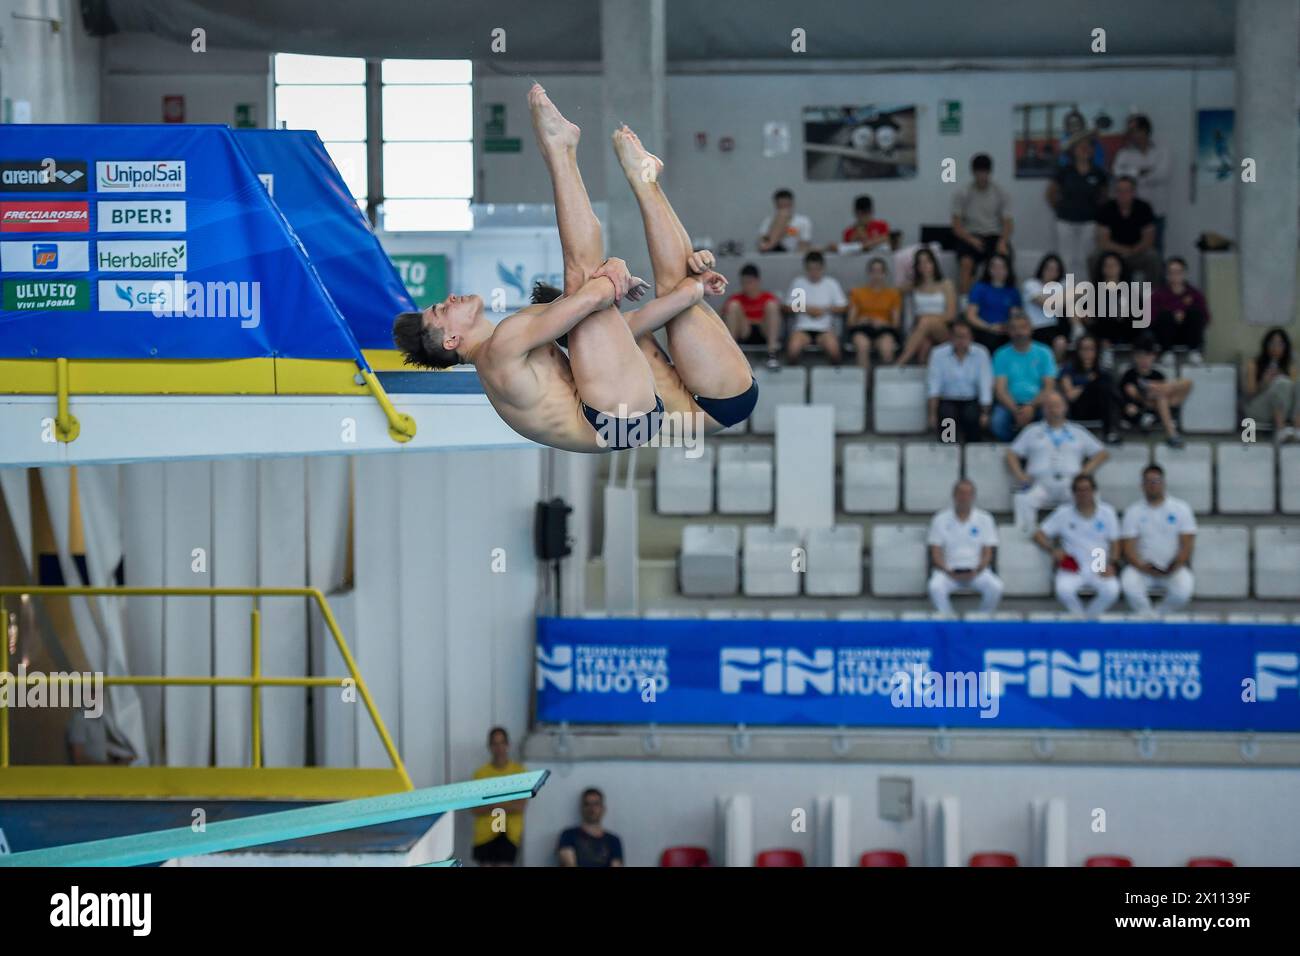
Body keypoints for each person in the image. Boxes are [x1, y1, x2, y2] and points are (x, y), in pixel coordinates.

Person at [393, 86, 665, 453]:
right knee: (583, 275)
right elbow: (594, 293)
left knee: (584, 281)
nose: (451, 298)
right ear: (451, 340)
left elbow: (596, 299)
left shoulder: (510, 335)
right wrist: (612, 273)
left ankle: (562, 149)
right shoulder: (499, 350)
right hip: (616, 421)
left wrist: (612, 275)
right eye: (443, 310)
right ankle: (561, 150)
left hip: (625, 414)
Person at [513, 118, 760, 439]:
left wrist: (698, 275)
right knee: (676, 288)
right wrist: (699, 281)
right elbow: (681, 297)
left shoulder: (599, 345)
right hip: (715, 403)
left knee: (679, 286)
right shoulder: (610, 338)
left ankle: (645, 179)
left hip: (707, 392)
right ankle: (644, 180)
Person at [1006, 389, 1109, 533]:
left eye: (1057, 405)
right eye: (1049, 405)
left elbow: (1102, 453)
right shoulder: (1032, 430)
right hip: (1040, 484)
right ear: (1043, 409)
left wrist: (1085, 472)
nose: (1053, 409)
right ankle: (1026, 540)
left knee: (1090, 497)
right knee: (1023, 499)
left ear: (1065, 407)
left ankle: (1085, 536)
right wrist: (1021, 476)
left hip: (1071, 484)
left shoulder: (1077, 431)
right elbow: (1011, 454)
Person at [1033, 473, 1122, 620]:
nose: (1083, 493)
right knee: (1063, 589)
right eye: (1079, 490)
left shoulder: (1107, 512)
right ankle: (1080, 618)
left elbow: (1115, 543)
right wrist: (1053, 550)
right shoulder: (1063, 512)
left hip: (1098, 562)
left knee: (1112, 590)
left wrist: (1112, 564)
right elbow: (1039, 534)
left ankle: (1089, 620)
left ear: (1094, 491)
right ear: (1073, 493)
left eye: (1086, 489)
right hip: (1073, 563)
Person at [1120, 464, 1197, 617]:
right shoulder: (1133, 511)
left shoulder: (1181, 508)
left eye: (1156, 480)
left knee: (1184, 590)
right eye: (1148, 481)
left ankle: (1160, 615)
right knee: (1128, 584)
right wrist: (1142, 566)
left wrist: (1175, 566)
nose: (1152, 485)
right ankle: (1146, 615)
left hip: (1172, 567)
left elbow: (1187, 545)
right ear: (1142, 485)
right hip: (1142, 568)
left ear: (1164, 482)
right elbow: (1128, 547)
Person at [927, 478, 1004, 616]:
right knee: (935, 586)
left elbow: (987, 552)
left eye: (968, 494)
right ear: (953, 495)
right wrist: (947, 570)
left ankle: (982, 618)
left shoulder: (985, 519)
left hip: (977, 572)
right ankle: (948, 619)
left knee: (996, 586)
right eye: (960, 493)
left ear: (974, 497)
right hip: (948, 571)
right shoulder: (940, 519)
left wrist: (977, 570)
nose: (964, 498)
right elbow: (936, 552)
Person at [950, 154, 1014, 295]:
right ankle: (965, 302)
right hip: (971, 235)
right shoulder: (963, 193)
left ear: (990, 172)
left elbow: (1008, 223)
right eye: (978, 173)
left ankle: (1005, 298)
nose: (981, 176)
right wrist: (971, 240)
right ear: (973, 173)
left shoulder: (1000, 193)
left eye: (984, 172)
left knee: (1003, 258)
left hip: (994, 236)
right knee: (966, 263)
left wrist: (1002, 241)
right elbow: (956, 226)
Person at [1047, 136, 1108, 281]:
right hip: (1065, 221)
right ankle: (1066, 293)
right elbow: (1050, 194)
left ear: (1093, 151)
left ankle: (1084, 294)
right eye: (1081, 147)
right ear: (1074, 151)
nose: (1085, 150)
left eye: (1088, 147)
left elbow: (1104, 197)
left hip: (1089, 222)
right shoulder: (1065, 171)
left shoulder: (1098, 172)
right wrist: (1060, 208)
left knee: (1084, 259)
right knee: (1066, 259)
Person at [991, 313, 1058, 442]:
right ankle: (1014, 447)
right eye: (1014, 328)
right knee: (997, 423)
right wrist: (1016, 410)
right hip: (1010, 404)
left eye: (1023, 327)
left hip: (1038, 403)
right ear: (1009, 331)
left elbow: (1049, 387)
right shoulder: (1001, 354)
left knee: (1053, 413)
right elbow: (1000, 390)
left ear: (1031, 329)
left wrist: (1031, 407)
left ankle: (1039, 446)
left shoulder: (1044, 352)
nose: (1019, 332)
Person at [1111, 114, 1172, 252]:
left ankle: (1157, 275)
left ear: (1145, 130)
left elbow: (1162, 175)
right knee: (1132, 251)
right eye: (1130, 131)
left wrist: (1133, 176)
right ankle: (1070, 275)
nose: (1131, 135)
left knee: (1156, 251)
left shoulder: (1162, 151)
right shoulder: (1124, 153)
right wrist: (1140, 172)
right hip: (1133, 212)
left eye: (1134, 130)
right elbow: (1117, 173)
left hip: (1157, 210)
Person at [927, 318, 993, 443]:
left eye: (964, 336)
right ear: (951, 337)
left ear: (971, 337)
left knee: (972, 417)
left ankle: (972, 449)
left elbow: (985, 384)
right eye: (957, 336)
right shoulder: (938, 354)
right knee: (947, 418)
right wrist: (932, 414)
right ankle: (948, 450)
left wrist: (985, 412)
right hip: (947, 400)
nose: (961, 340)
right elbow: (933, 385)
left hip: (970, 400)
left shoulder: (981, 353)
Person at [470, 726, 527, 867]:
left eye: (502, 743)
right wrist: (505, 804)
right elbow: (474, 809)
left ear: (508, 745)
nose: (499, 748)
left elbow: (520, 806)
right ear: (489, 747)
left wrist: (492, 804)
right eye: (495, 744)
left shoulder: (519, 773)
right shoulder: (480, 774)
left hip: (509, 834)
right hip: (485, 835)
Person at [1119, 337, 1191, 448]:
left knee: (1186, 383)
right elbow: (1125, 399)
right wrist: (1140, 395)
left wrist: (1161, 387)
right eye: (1140, 356)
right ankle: (1172, 435)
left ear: (1153, 356)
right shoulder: (1130, 375)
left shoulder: (1158, 374)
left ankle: (1171, 429)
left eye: (1148, 356)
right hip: (1142, 409)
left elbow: (1168, 392)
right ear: (1135, 357)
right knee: (1160, 396)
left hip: (1161, 406)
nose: (1144, 360)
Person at [894, 246, 957, 366]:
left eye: (927, 261)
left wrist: (928, 318)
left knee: (925, 322)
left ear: (934, 263)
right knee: (924, 346)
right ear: (916, 267)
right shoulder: (915, 285)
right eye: (920, 262)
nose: (924, 265)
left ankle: (899, 363)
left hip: (943, 329)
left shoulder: (946, 284)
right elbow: (896, 290)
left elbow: (951, 315)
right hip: (921, 329)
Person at [1092, 175, 1162, 283]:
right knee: (1094, 257)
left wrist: (1134, 250)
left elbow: (1149, 239)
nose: (1122, 194)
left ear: (1133, 192)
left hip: (1137, 252)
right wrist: (1123, 250)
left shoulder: (1144, 208)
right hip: (1113, 253)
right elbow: (1103, 241)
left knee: (1153, 257)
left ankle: (1153, 294)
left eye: (1126, 191)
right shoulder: (1106, 208)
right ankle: (1097, 293)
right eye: (1119, 191)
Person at [785, 251, 847, 364]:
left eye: (817, 269)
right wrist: (807, 309)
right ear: (806, 269)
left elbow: (843, 307)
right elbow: (788, 307)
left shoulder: (831, 284)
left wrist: (824, 310)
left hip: (825, 329)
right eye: (810, 269)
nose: (814, 272)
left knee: (834, 350)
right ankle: (793, 378)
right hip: (802, 329)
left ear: (822, 268)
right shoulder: (799, 283)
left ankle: (834, 377)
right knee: (793, 349)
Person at [1058, 334, 1121, 444]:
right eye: (1084, 349)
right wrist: (1088, 382)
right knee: (1101, 383)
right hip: (1079, 408)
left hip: (1100, 408)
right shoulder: (1069, 369)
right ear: (1078, 351)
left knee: (1105, 380)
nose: (1087, 353)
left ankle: (1113, 427)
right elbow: (1070, 396)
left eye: (1091, 349)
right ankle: (1114, 426)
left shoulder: (1100, 370)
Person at [845, 256, 901, 376]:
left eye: (880, 272)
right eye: (873, 271)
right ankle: (864, 386)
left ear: (885, 274)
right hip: (862, 329)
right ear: (868, 273)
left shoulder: (893, 294)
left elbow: (896, 324)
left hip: (884, 330)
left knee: (887, 348)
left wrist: (883, 323)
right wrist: (862, 321)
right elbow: (850, 322)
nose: (876, 275)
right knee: (862, 345)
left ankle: (884, 384)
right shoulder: (857, 293)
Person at [1243, 327, 1299, 442]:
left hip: (1284, 409)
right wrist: (1264, 382)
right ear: (1266, 345)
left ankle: (1298, 428)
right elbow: (1250, 393)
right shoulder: (1253, 364)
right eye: (1272, 343)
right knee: (1282, 383)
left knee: (1293, 383)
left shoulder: (1290, 366)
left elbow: (1295, 393)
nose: (1276, 347)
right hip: (1258, 408)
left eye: (1280, 344)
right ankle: (1280, 429)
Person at [723, 263, 783, 367]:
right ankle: (731, 353)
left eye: (749, 282)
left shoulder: (767, 297)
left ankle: (772, 354)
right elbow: (723, 314)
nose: (746, 286)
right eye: (743, 283)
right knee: (733, 306)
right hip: (745, 332)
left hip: (764, 332)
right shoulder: (736, 298)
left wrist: (755, 321)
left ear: (757, 281)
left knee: (772, 305)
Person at [1150, 257, 1209, 363]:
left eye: (1178, 272)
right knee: (1164, 315)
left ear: (1185, 273)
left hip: (1188, 333)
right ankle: (1166, 353)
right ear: (1166, 275)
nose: (1175, 276)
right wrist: (1174, 314)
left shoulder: (1195, 294)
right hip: (1166, 334)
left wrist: (1184, 315)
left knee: (1195, 313)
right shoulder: (1158, 294)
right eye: (1171, 272)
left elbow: (1206, 317)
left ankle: (1194, 352)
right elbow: (1151, 317)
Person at [965, 253, 1023, 352]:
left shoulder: (1013, 292)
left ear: (1008, 270)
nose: (998, 270)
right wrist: (989, 327)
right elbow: (971, 316)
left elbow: (1015, 316)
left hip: (1005, 331)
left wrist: (1006, 327)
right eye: (994, 267)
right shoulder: (979, 288)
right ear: (989, 269)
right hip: (983, 329)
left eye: (1002, 267)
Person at [1022, 253, 1073, 363]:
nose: (1051, 272)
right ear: (1042, 268)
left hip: (1056, 326)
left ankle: (1055, 369)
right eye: (1049, 268)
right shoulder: (1031, 284)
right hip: (1036, 327)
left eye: (1055, 270)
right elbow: (1047, 304)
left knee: (1061, 342)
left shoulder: (1062, 284)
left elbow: (1079, 292)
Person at [557, 788, 624, 867]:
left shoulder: (613, 840)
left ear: (603, 809)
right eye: (587, 804)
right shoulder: (568, 835)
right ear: (582, 808)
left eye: (596, 804)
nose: (592, 809)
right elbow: (569, 864)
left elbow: (616, 864)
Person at [757, 188, 813, 253]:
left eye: (786, 205)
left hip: (791, 254)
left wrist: (786, 230)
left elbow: (805, 243)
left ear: (792, 204)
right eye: (780, 206)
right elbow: (762, 240)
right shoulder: (768, 221)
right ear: (776, 205)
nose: (783, 209)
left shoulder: (803, 221)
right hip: (771, 253)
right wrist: (777, 225)